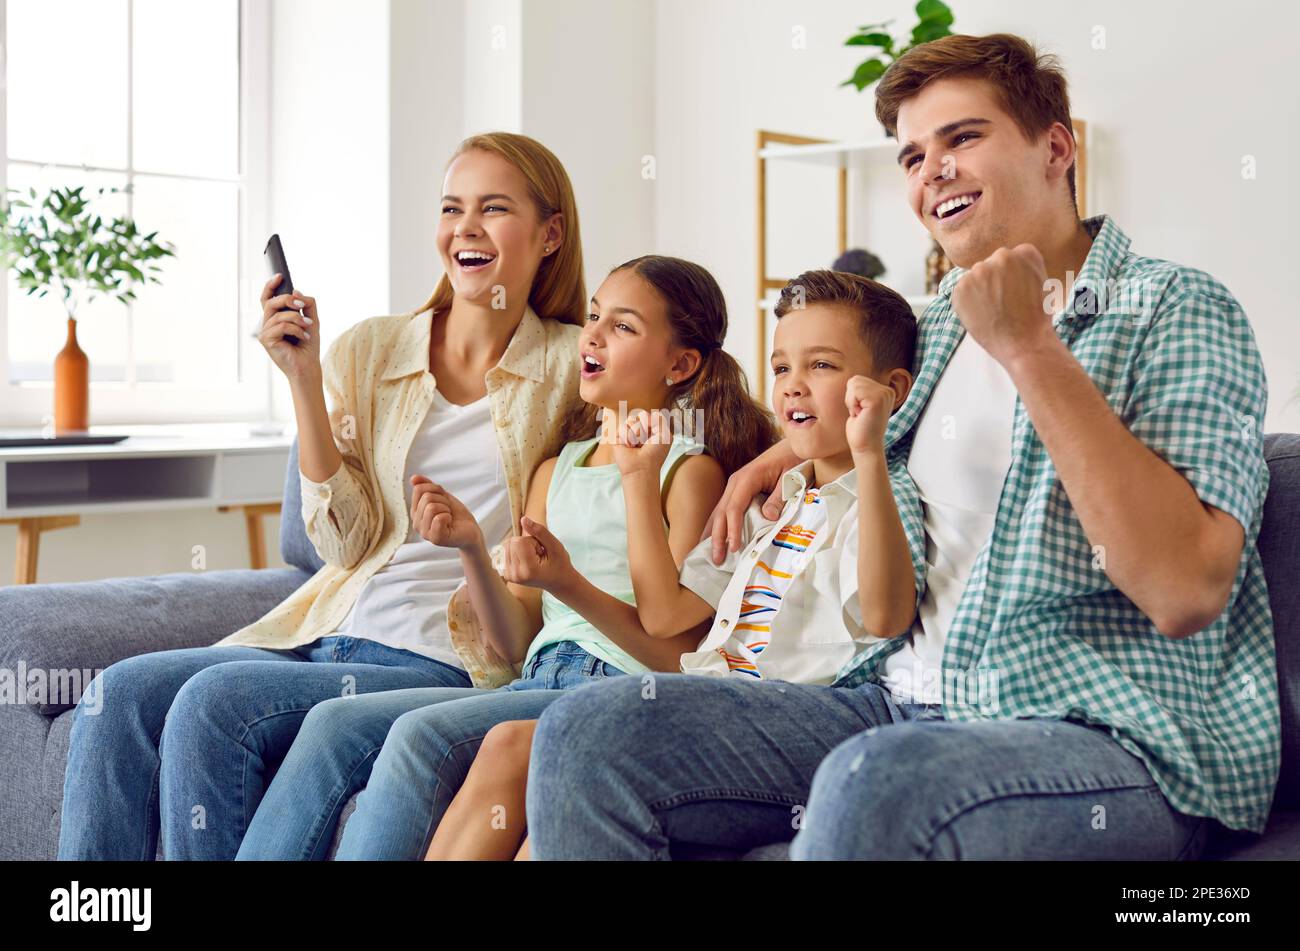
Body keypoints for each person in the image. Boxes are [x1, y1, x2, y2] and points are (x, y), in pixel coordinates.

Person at [524, 33, 1278, 861]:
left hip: (1102, 732)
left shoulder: (1174, 309)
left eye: (963, 138)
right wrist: (775, 456)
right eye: (914, 155)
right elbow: (853, 416)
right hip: (891, 705)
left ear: (1056, 147)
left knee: (875, 780)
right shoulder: (942, 324)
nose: (933, 172)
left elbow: (1186, 588)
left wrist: (1031, 347)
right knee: (589, 732)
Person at [57, 131, 589, 861]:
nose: (464, 227)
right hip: (325, 630)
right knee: (115, 696)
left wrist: (762, 467)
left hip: (438, 657)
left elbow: (697, 394)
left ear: (550, 232)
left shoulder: (574, 363)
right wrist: (304, 380)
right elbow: (341, 543)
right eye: (451, 207)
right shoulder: (370, 350)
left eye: (493, 208)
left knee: (214, 708)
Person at [234, 255, 778, 860]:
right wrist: (471, 547)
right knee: (336, 725)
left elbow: (678, 650)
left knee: (419, 737)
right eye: (594, 316)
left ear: (681, 364)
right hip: (536, 677)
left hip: (617, 690)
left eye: (623, 327)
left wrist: (571, 573)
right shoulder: (556, 469)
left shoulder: (688, 471)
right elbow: (518, 643)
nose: (592, 335)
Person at [425, 268, 920, 860]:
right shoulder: (766, 507)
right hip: (711, 693)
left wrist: (867, 454)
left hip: (783, 711)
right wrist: (638, 478)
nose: (791, 386)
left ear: (889, 390)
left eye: (821, 366)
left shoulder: (883, 496)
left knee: (568, 746)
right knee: (512, 746)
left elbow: (888, 615)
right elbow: (664, 618)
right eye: (782, 366)